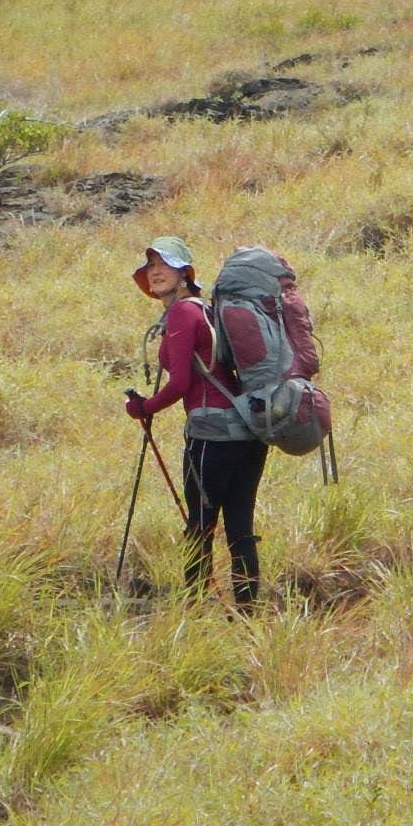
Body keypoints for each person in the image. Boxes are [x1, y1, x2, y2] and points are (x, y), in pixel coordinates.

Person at [124, 236, 267, 612]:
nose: (155, 271)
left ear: (185, 273)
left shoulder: (183, 314)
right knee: (240, 528)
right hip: (249, 433)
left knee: (200, 526)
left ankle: (195, 611)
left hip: (212, 434)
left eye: (164, 265)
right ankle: (249, 615)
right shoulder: (205, 310)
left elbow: (182, 383)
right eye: (150, 265)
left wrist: (145, 407)